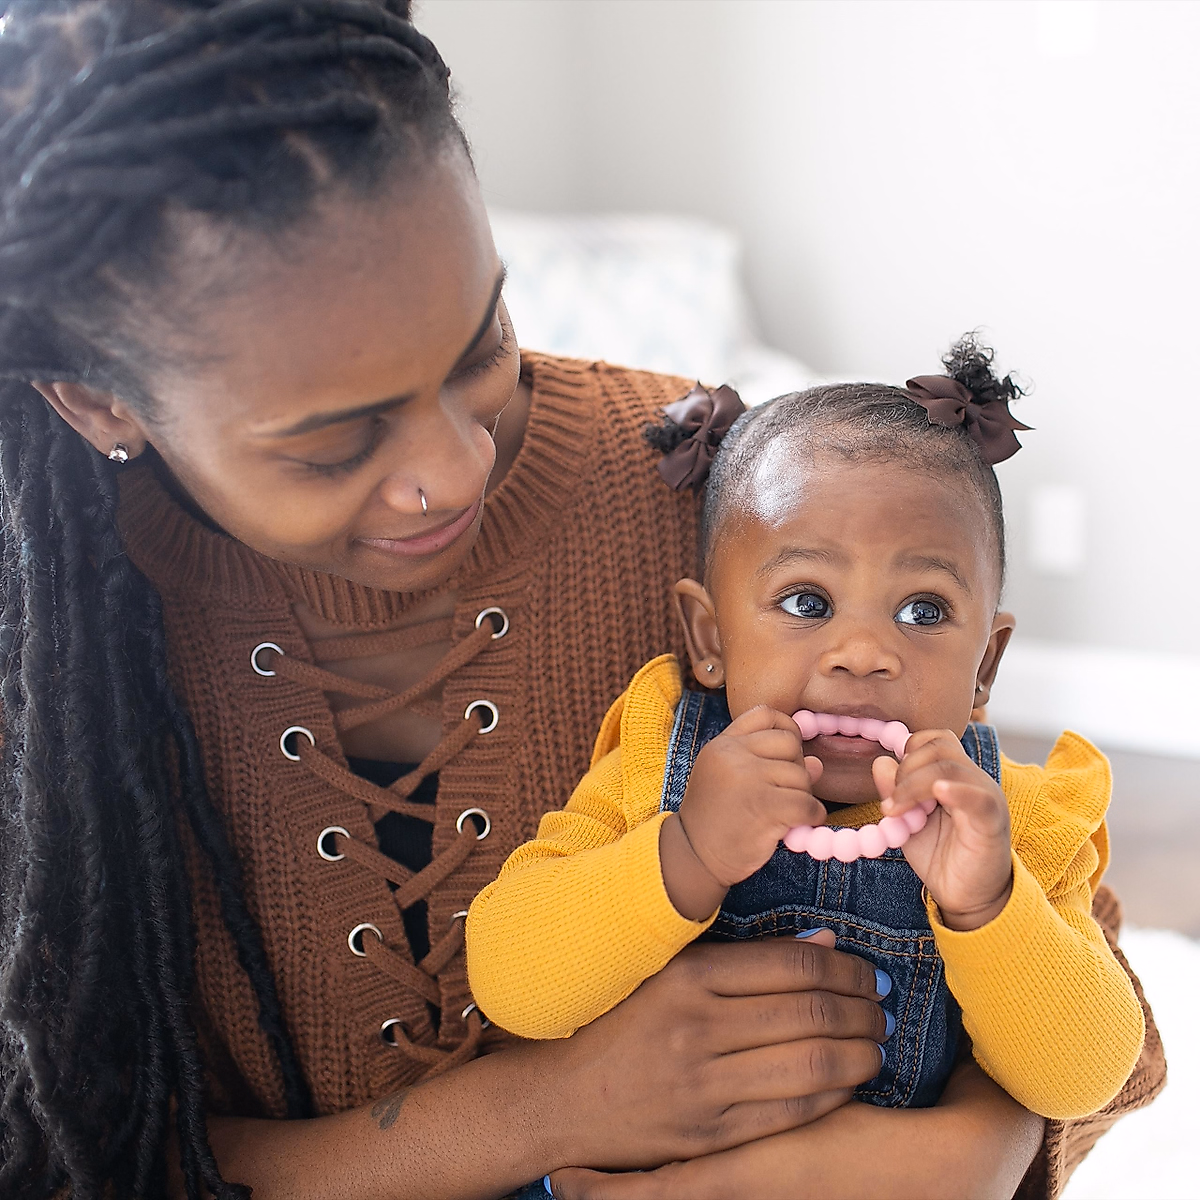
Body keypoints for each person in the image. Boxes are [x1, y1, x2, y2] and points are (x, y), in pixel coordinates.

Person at [0, 3, 1162, 1198]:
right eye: (333, 442)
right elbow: (77, 1153)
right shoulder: (43, 667)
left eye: (478, 346)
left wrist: (969, 1151)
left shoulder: (719, 490)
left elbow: (1097, 1020)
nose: (453, 468)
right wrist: (546, 1113)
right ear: (98, 405)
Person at [466, 340, 1145, 1151]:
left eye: (923, 611)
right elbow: (511, 985)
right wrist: (684, 853)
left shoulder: (1014, 820)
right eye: (807, 600)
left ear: (984, 667)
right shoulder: (659, 764)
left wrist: (988, 904)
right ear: (709, 637)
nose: (862, 652)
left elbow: (1085, 1077)